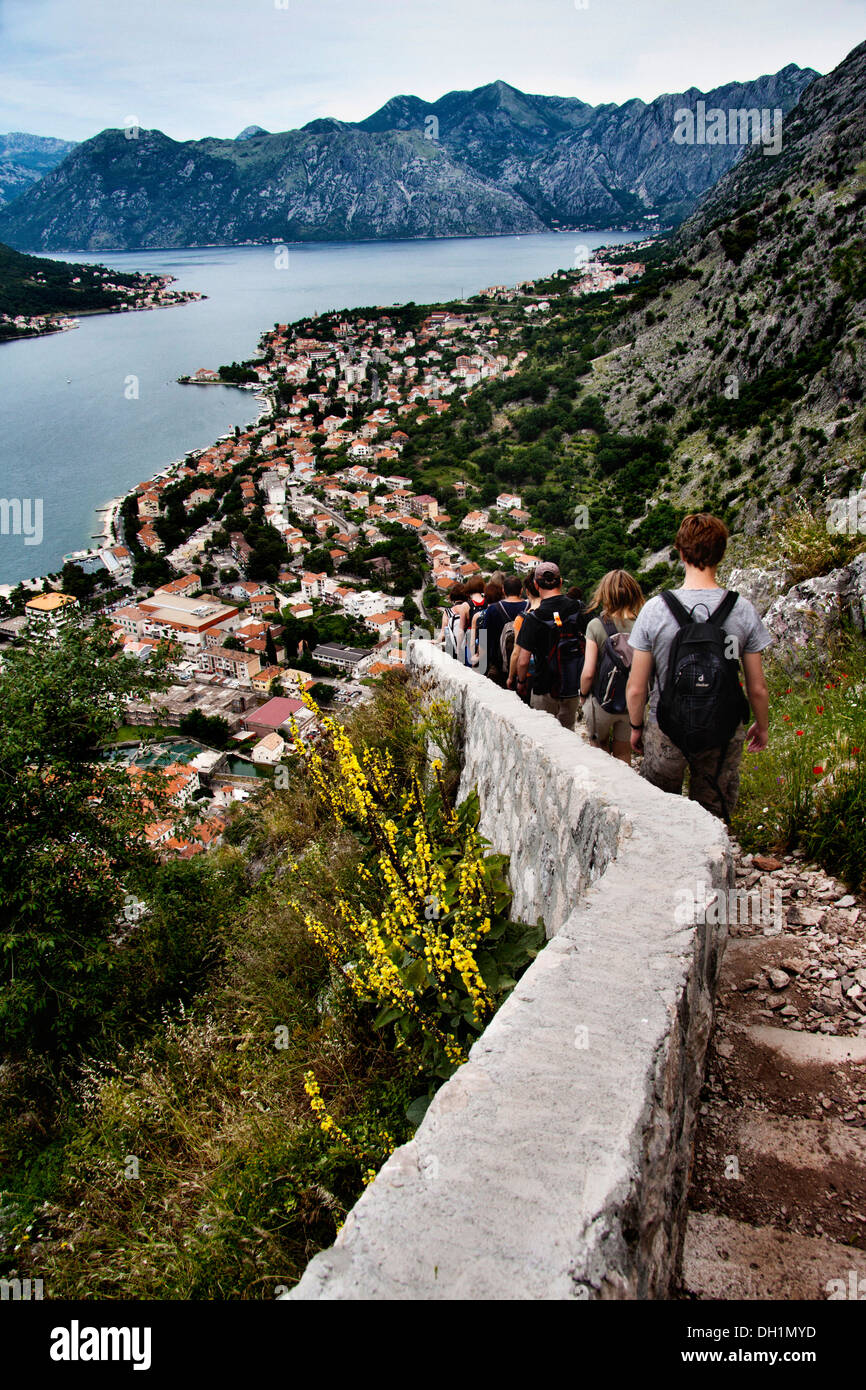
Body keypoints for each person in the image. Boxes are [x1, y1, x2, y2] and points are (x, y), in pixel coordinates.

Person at [626, 513, 771, 821]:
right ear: (722, 551)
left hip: (666, 727)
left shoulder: (655, 610)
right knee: (713, 810)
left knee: (660, 813)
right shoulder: (742, 610)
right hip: (723, 727)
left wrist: (637, 727)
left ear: (680, 552)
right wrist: (762, 725)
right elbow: (757, 686)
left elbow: (637, 688)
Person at [580, 570, 645, 764]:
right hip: (631, 703)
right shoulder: (643, 625)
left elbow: (589, 672)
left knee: (598, 748)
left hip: (602, 701)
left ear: (604, 595)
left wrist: (583, 694)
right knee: (623, 751)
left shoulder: (596, 626)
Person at [511, 561, 585, 729]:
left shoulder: (533, 618)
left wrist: (521, 682)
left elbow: (523, 660)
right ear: (560, 582)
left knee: (544, 735)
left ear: (536, 585)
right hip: (572, 684)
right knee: (568, 733)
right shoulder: (578, 608)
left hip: (544, 685)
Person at [478, 574, 528, 685]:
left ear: (503, 591)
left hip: (498, 664)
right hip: (524, 666)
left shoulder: (493, 609)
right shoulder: (529, 608)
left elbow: (483, 639)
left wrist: (482, 667)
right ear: (521, 590)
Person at [507, 575, 540, 697]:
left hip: (530, 675)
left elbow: (517, 653)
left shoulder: (523, 618)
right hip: (555, 674)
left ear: (526, 591)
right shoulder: (553, 612)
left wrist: (511, 677)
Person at [469, 579, 505, 677]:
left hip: (483, 657)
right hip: (501, 656)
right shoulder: (502, 613)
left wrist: (473, 656)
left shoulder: (478, 616)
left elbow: (473, 639)